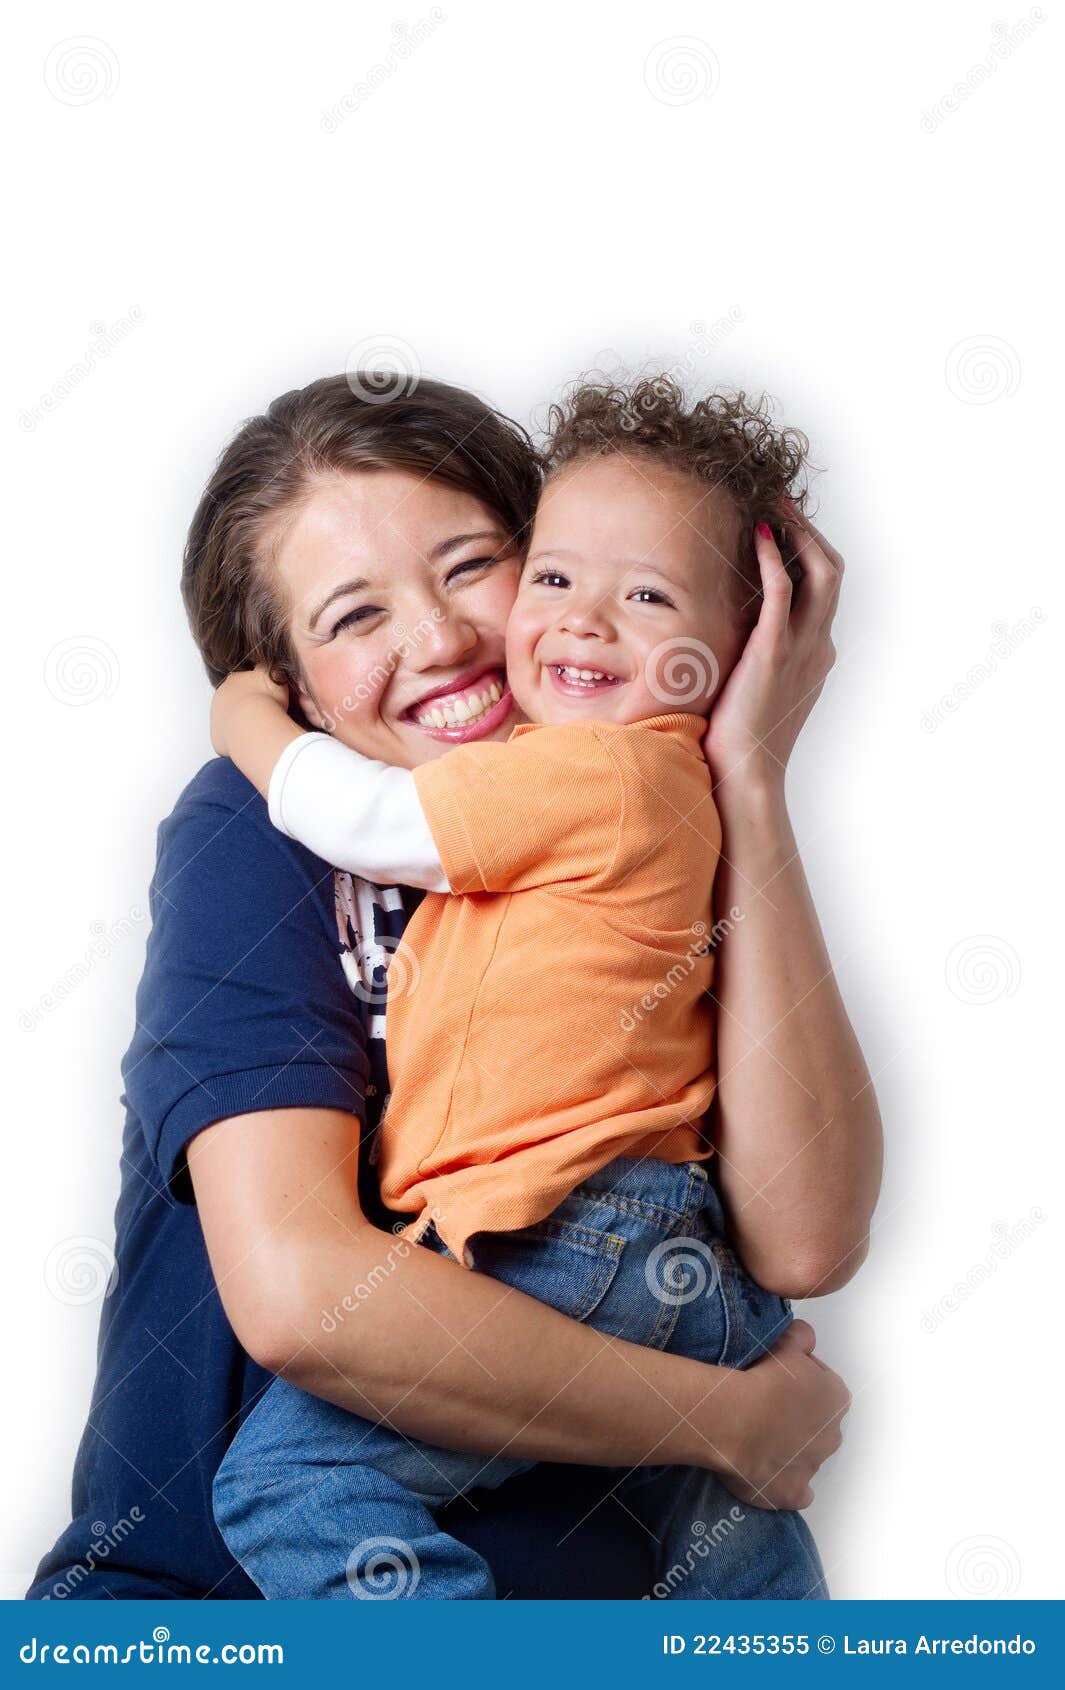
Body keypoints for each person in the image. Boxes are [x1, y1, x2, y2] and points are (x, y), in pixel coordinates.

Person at [30, 373, 875, 1603]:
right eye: (352, 615)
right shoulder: (256, 833)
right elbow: (305, 1297)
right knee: (295, 1477)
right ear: (289, 684)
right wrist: (725, 1421)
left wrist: (749, 775)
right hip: (230, 1610)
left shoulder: (642, 805)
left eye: (474, 564)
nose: (438, 640)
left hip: (589, 1609)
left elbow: (804, 1236)